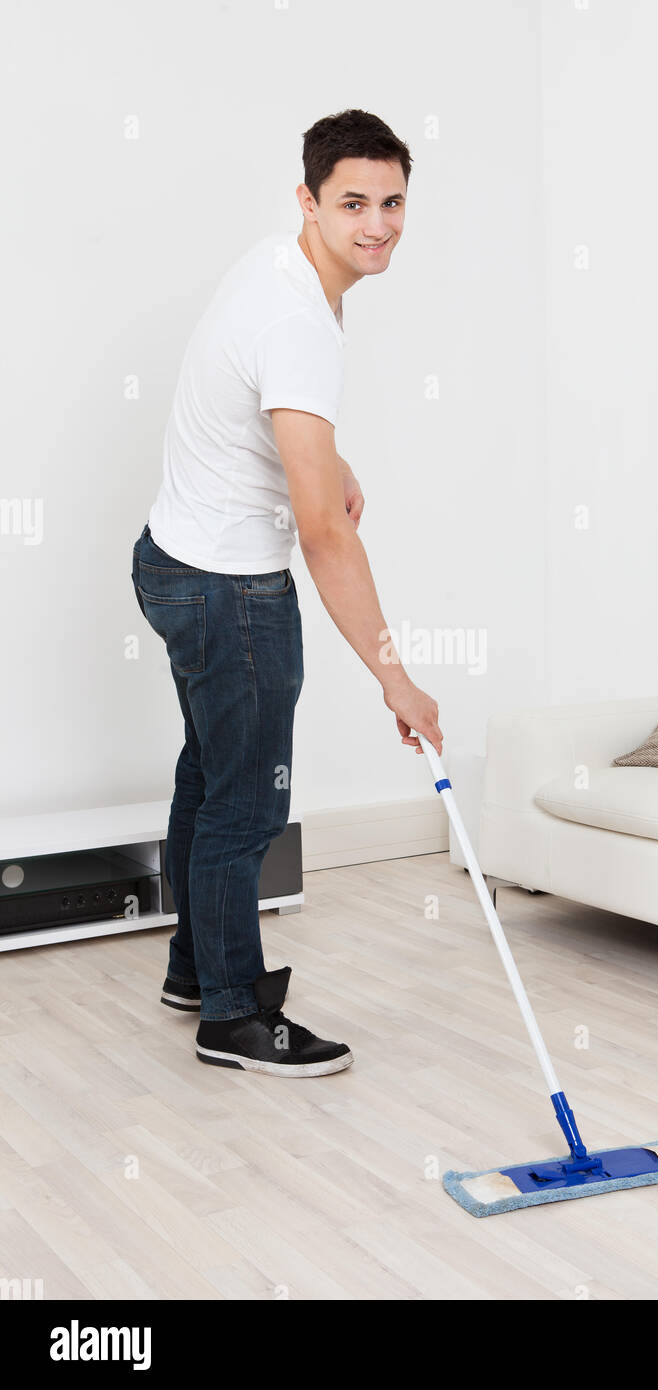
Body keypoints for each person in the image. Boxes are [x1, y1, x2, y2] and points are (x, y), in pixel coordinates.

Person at [130, 109, 443, 1078]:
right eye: (353, 203)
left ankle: (196, 968)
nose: (377, 224)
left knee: (206, 777)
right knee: (245, 806)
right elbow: (321, 533)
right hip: (230, 590)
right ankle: (231, 1016)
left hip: (169, 562)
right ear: (308, 200)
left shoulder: (281, 267)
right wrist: (398, 679)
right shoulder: (300, 318)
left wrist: (329, 456)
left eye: (392, 202)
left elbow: (254, 400)